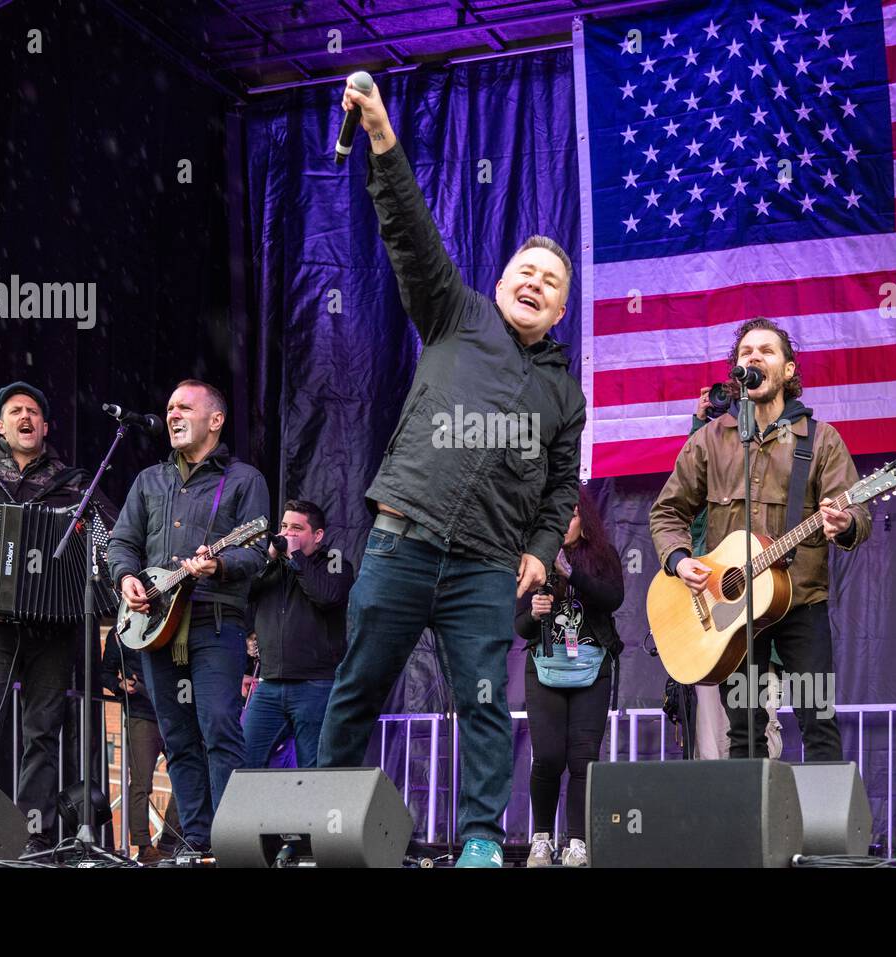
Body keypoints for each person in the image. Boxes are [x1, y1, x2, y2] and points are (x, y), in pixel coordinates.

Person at [316, 78, 586, 867]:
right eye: (524, 271)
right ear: (500, 283)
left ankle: (476, 839)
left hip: (484, 565)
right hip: (405, 536)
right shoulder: (454, 311)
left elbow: (564, 484)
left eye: (550, 281)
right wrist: (381, 136)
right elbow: (409, 228)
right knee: (360, 684)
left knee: (481, 703)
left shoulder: (565, 394)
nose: (534, 281)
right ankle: (329, 817)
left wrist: (539, 543)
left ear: (562, 309)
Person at [649, 318, 871, 760]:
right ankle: (748, 829)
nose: (754, 357)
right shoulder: (711, 439)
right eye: (746, 352)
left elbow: (858, 513)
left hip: (800, 601)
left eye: (766, 351)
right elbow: (667, 511)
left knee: (819, 724)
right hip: (732, 612)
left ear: (789, 370)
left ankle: (821, 831)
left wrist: (844, 523)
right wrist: (678, 559)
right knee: (744, 735)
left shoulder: (821, 440)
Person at [0, 381, 114, 855]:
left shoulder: (74, 481)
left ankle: (35, 835)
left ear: (45, 426)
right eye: (15, 411)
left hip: (54, 625)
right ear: (0, 425)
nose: (25, 417)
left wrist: (99, 546)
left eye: (33, 411)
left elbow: (112, 535)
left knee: (42, 728)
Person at [106, 379, 271, 852]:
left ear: (215, 420)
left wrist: (218, 563)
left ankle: (232, 838)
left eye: (184, 407)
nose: (173, 414)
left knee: (219, 726)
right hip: (156, 627)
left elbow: (258, 552)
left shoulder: (244, 480)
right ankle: (195, 840)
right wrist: (125, 579)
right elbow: (123, 542)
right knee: (177, 736)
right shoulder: (149, 480)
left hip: (214, 621)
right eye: (170, 406)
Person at [515, 487, 623, 867]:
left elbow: (613, 599)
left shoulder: (601, 556)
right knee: (546, 756)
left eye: (572, 515)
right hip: (546, 666)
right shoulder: (533, 560)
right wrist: (536, 613)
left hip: (592, 667)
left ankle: (577, 841)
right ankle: (542, 839)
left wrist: (571, 573)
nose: (565, 522)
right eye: (558, 515)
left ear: (585, 520)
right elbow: (520, 625)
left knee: (583, 758)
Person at [243, 500, 354, 769]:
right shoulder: (271, 567)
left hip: (315, 686)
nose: (286, 533)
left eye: (296, 528)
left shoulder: (336, 563)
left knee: (313, 769)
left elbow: (327, 596)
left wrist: (296, 558)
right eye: (283, 526)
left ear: (317, 535)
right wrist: (268, 559)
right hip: (269, 684)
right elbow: (243, 593)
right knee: (242, 763)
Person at [98, 630, 184, 863]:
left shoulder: (169, 626)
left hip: (172, 713)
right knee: (141, 783)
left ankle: (169, 841)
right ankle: (144, 847)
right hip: (141, 715)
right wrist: (120, 684)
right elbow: (104, 673)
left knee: (185, 776)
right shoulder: (120, 634)